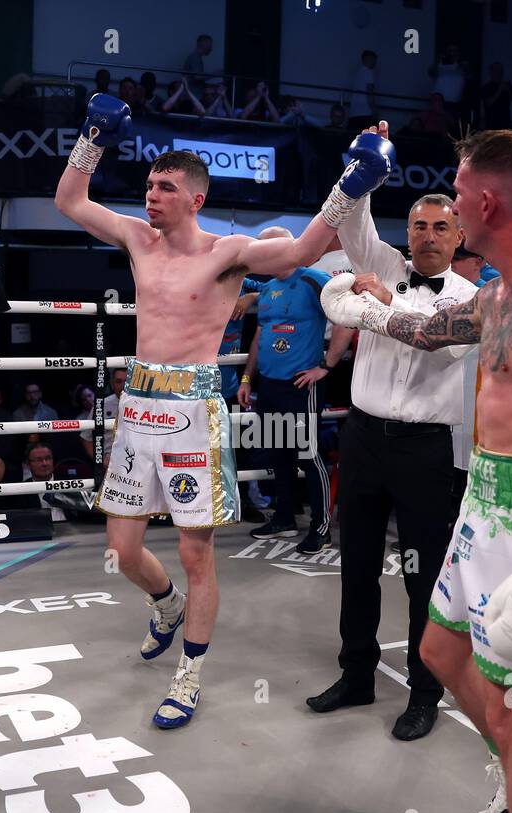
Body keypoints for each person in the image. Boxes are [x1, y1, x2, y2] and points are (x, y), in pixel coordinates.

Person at [322, 128, 512, 813]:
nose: (449, 203)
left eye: (456, 191)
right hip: (483, 495)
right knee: (440, 651)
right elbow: (426, 330)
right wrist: (364, 310)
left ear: (484, 201)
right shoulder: (497, 292)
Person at [54, 92, 391, 729]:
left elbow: (300, 252)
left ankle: (190, 674)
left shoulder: (227, 253)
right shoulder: (136, 237)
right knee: (124, 550)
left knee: (195, 553)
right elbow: (70, 201)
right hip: (137, 410)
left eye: (166, 187)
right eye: (150, 183)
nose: (151, 195)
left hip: (191, 412)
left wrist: (352, 186)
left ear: (195, 199)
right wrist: (93, 139)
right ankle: (166, 606)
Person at [306, 154, 479, 743]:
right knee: (355, 562)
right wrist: (362, 166)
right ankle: (356, 674)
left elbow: (439, 345)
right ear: (407, 233)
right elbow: (351, 220)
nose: (428, 237)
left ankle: (425, 692)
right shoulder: (381, 263)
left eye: (440, 227)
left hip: (426, 449)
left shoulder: (470, 297)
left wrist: (383, 302)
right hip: (363, 438)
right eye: (419, 226)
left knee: (423, 575)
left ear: (458, 236)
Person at [236, 226, 347, 553]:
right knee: (279, 455)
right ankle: (284, 516)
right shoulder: (269, 288)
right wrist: (246, 378)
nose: (262, 256)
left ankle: (321, 527)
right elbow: (260, 336)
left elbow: (344, 319)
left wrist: (325, 365)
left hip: (301, 384)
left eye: (267, 249)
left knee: (308, 455)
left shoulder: (315, 279)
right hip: (269, 384)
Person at [480, 62, 512, 129]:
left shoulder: (507, 85)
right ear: (491, 72)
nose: (498, 73)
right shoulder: (486, 87)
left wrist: (509, 91)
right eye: (496, 70)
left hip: (506, 124)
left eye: (500, 70)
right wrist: (499, 90)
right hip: (491, 124)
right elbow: (488, 103)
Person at [348, 50, 378, 129]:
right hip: (365, 111)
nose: (375, 62)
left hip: (354, 112)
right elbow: (369, 92)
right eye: (374, 59)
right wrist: (374, 110)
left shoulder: (357, 73)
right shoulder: (368, 72)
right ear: (368, 59)